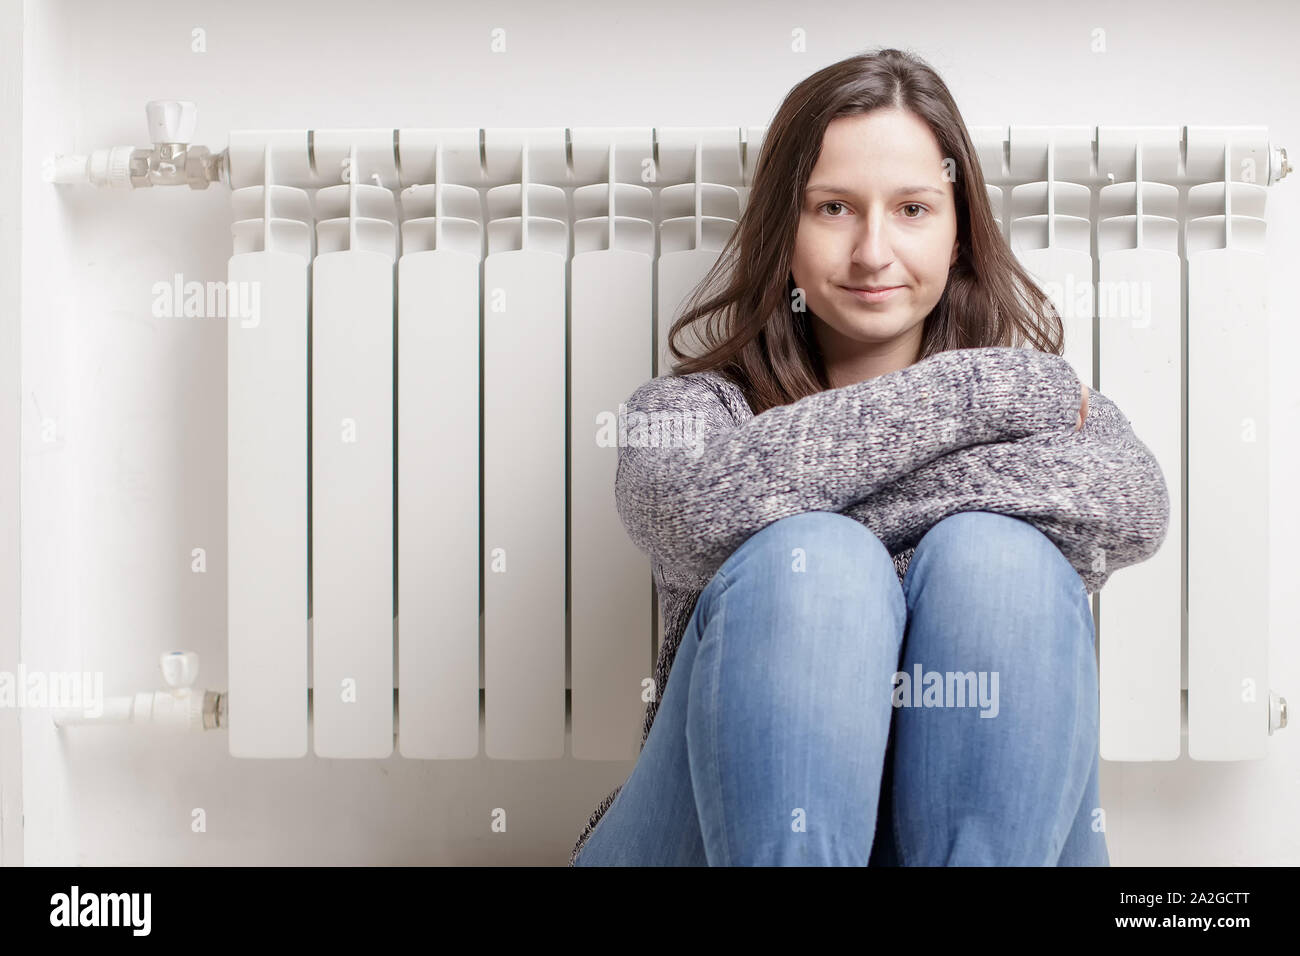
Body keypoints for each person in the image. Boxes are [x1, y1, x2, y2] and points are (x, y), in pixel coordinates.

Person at [570, 47, 1169, 866]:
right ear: (784, 233)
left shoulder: (1053, 412)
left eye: (914, 209)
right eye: (835, 208)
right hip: (703, 844)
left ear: (959, 234)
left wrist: (847, 504)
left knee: (995, 560)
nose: (873, 252)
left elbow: (1136, 506)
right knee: (817, 562)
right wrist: (977, 396)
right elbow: (693, 509)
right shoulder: (688, 415)